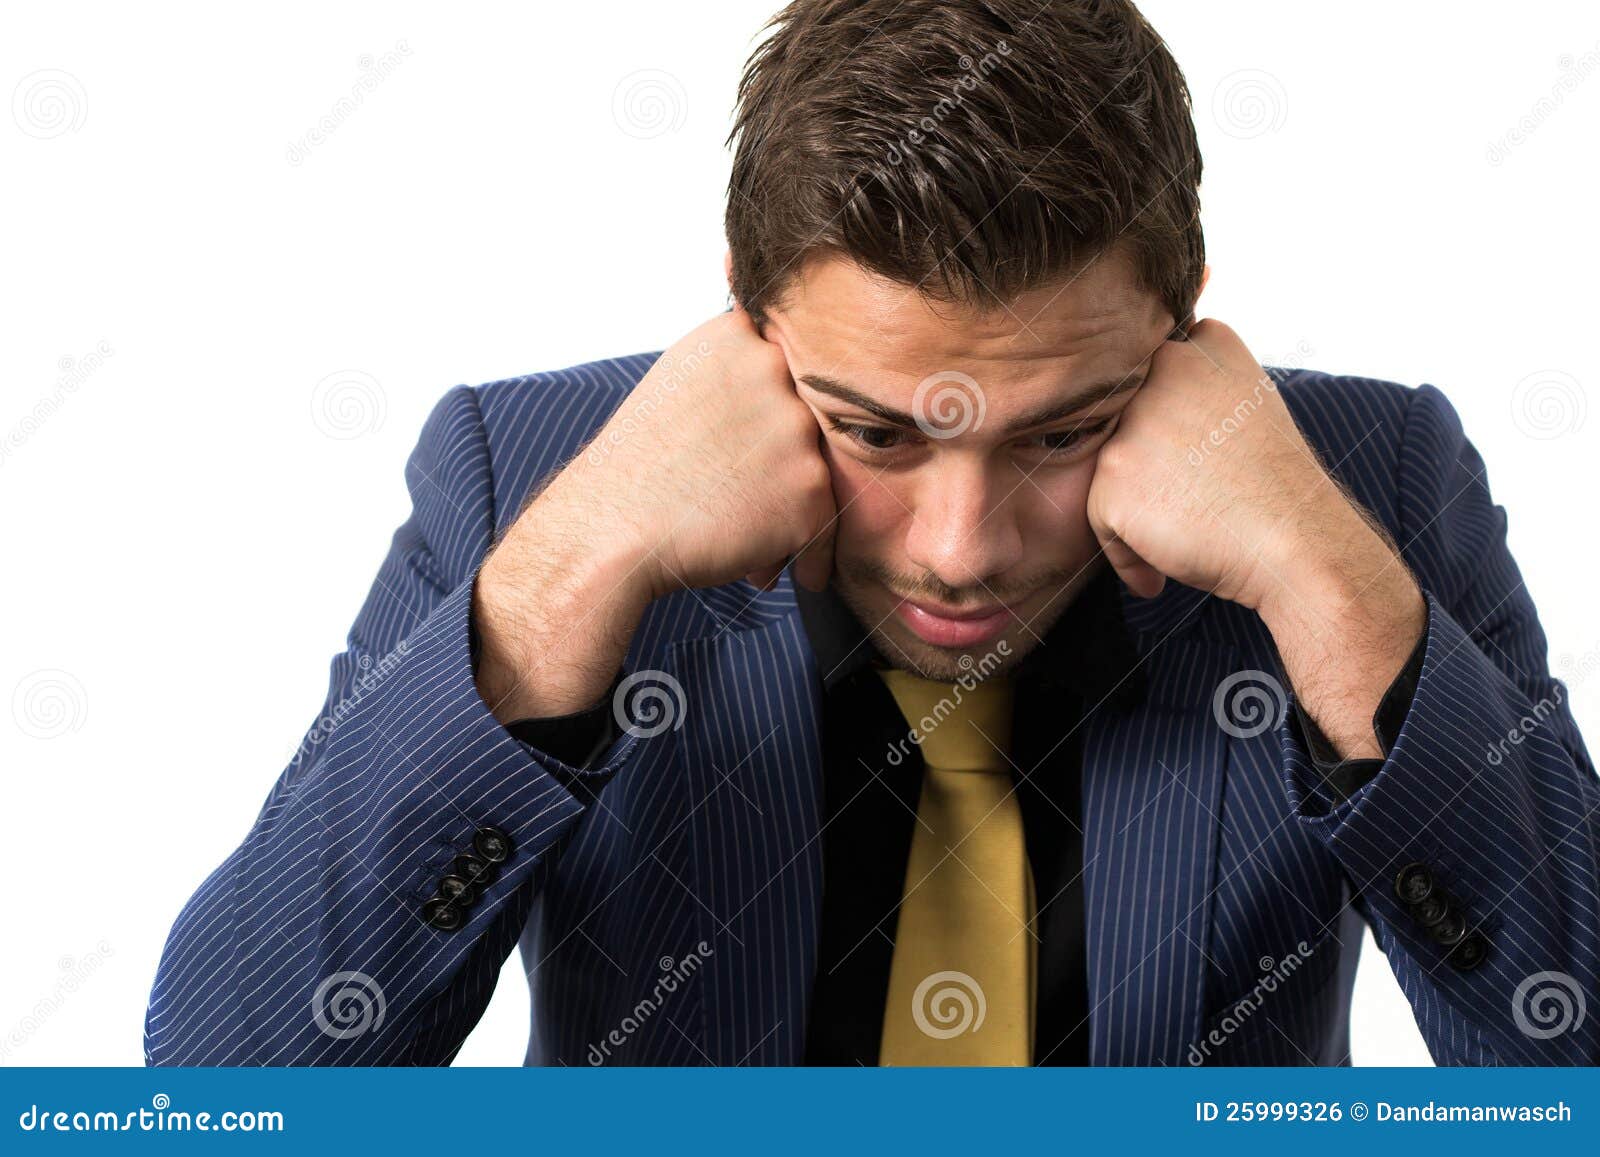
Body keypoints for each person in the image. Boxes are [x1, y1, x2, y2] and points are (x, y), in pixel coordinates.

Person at [145, 0, 1599, 1066]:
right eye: (878, 432)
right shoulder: (527, 479)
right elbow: (222, 1082)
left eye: (1059, 428)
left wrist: (1330, 591)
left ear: (1182, 318)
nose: (960, 547)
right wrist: (560, 587)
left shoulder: (1365, 486)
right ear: (747, 317)